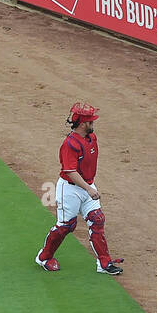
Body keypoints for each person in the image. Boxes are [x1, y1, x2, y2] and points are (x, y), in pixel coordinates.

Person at [33, 102, 124, 275]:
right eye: (91, 121)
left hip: (86, 185)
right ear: (83, 123)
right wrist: (89, 189)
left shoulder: (91, 138)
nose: (93, 124)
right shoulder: (70, 144)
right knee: (66, 226)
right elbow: (70, 171)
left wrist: (89, 187)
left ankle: (104, 264)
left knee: (97, 220)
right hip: (70, 189)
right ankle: (44, 257)